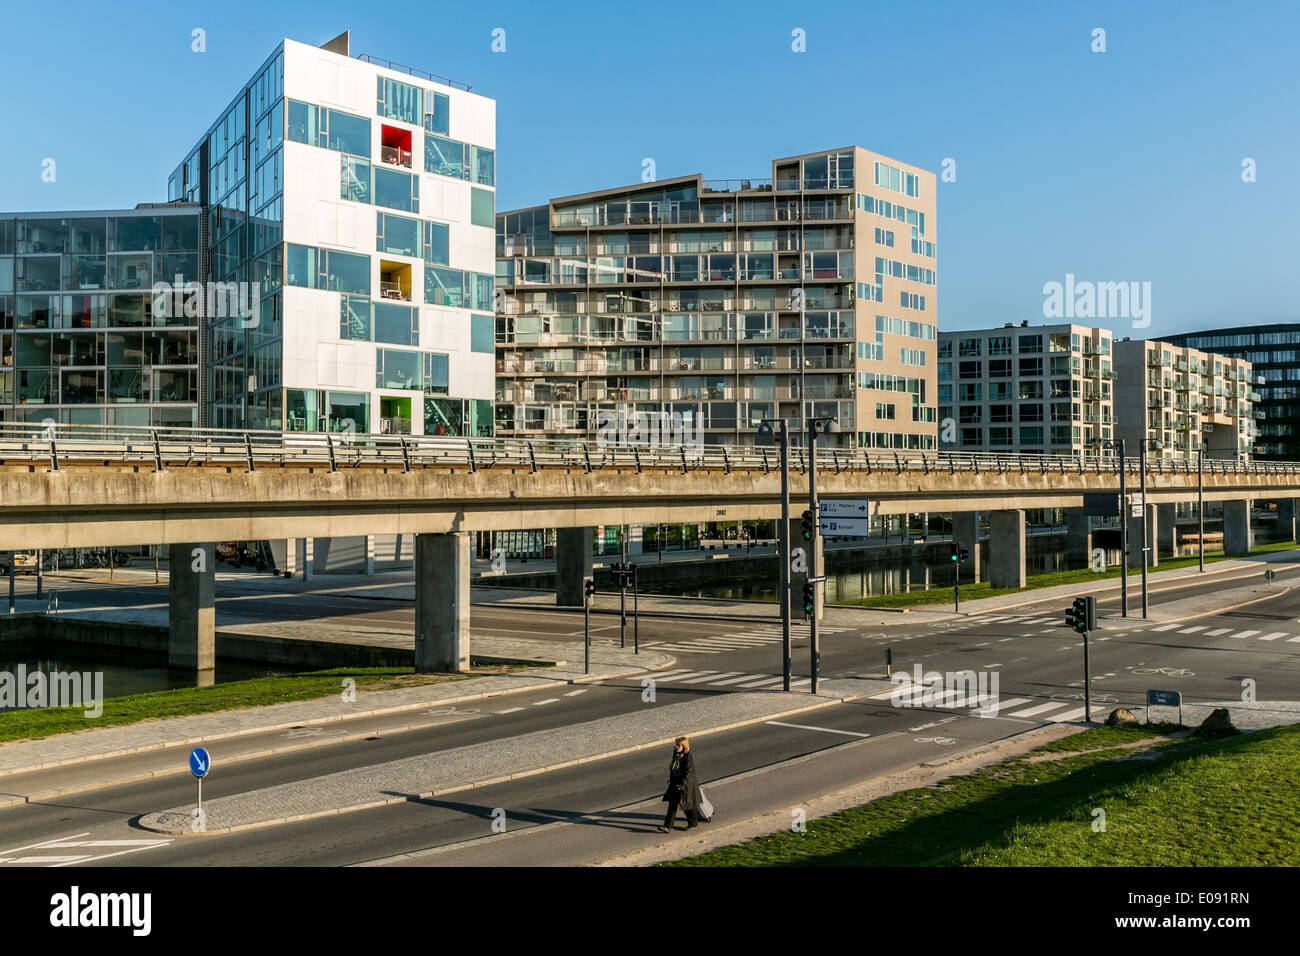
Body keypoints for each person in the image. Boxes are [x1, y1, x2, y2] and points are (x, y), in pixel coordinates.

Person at [658, 736, 702, 832]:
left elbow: (689, 773)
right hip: (675, 783)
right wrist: (672, 780)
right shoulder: (676, 754)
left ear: (684, 746)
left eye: (678, 745)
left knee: (688, 805)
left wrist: (683, 784)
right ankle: (668, 826)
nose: (676, 747)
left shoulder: (688, 757)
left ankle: (693, 823)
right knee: (672, 805)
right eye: (676, 745)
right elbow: (674, 768)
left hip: (685, 785)